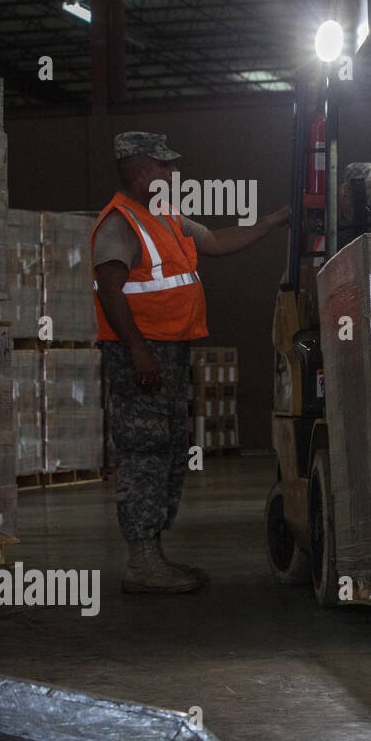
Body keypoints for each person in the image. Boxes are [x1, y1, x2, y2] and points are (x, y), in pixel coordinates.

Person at [92, 131, 289, 593]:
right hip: (140, 353)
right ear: (140, 173)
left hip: (169, 351)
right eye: (164, 167)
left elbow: (217, 241)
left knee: (169, 451)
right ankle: (141, 563)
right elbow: (110, 289)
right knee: (144, 452)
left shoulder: (163, 216)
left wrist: (275, 220)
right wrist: (138, 349)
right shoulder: (118, 224)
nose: (172, 173)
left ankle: (153, 557)